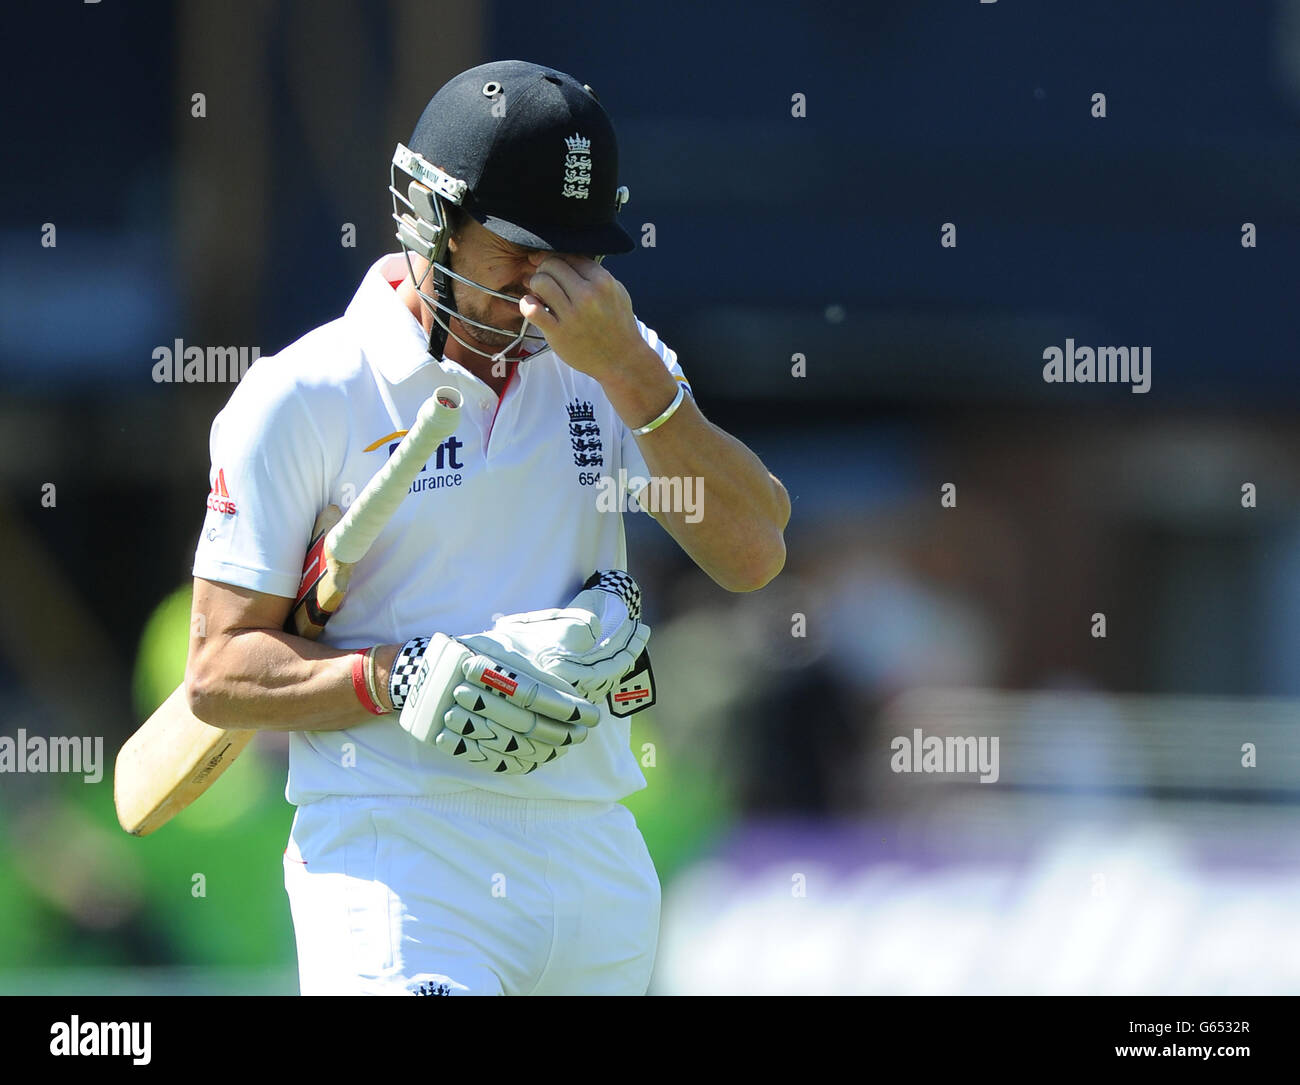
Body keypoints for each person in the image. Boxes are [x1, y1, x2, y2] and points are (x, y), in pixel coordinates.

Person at [184, 59, 790, 995]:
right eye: (521, 252)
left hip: (593, 847)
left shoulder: (617, 358)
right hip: (397, 851)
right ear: (434, 222)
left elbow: (754, 550)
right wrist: (396, 676)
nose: (554, 289)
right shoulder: (303, 394)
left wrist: (633, 372)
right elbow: (220, 672)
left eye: (581, 255)